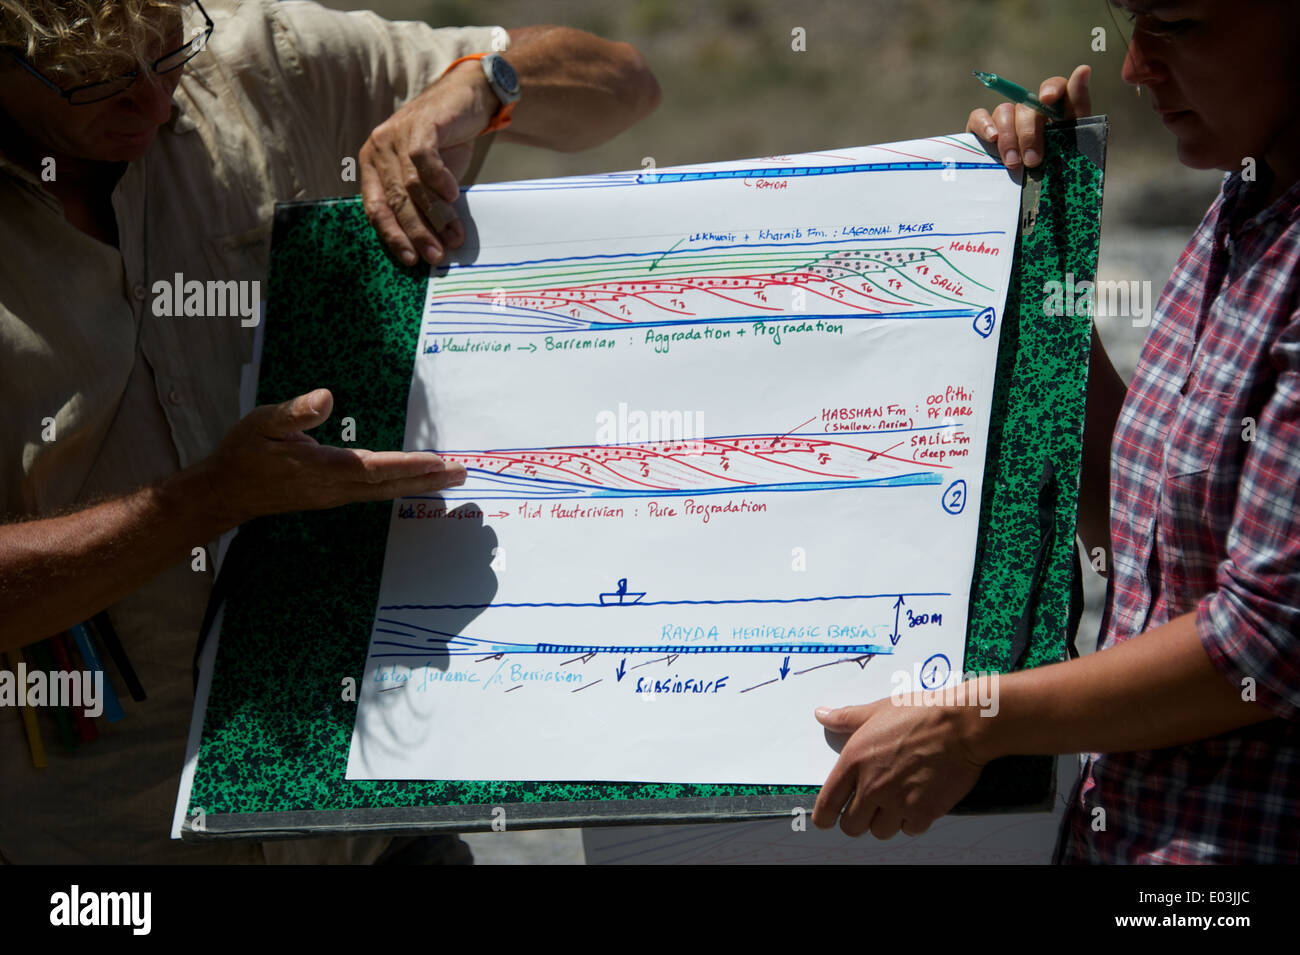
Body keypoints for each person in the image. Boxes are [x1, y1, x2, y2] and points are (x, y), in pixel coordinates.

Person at [0, 0, 658, 864]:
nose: (157, 106)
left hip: (377, 836)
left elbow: (623, 84)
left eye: (166, 53)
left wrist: (482, 86)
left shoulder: (268, 66)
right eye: (98, 82)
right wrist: (205, 503)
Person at [811, 0, 1300, 863]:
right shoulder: (1247, 203)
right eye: (1133, 27)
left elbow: (1262, 641)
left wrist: (970, 724)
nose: (1136, 67)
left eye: (1179, 26)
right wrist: (1035, 244)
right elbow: (1138, 531)